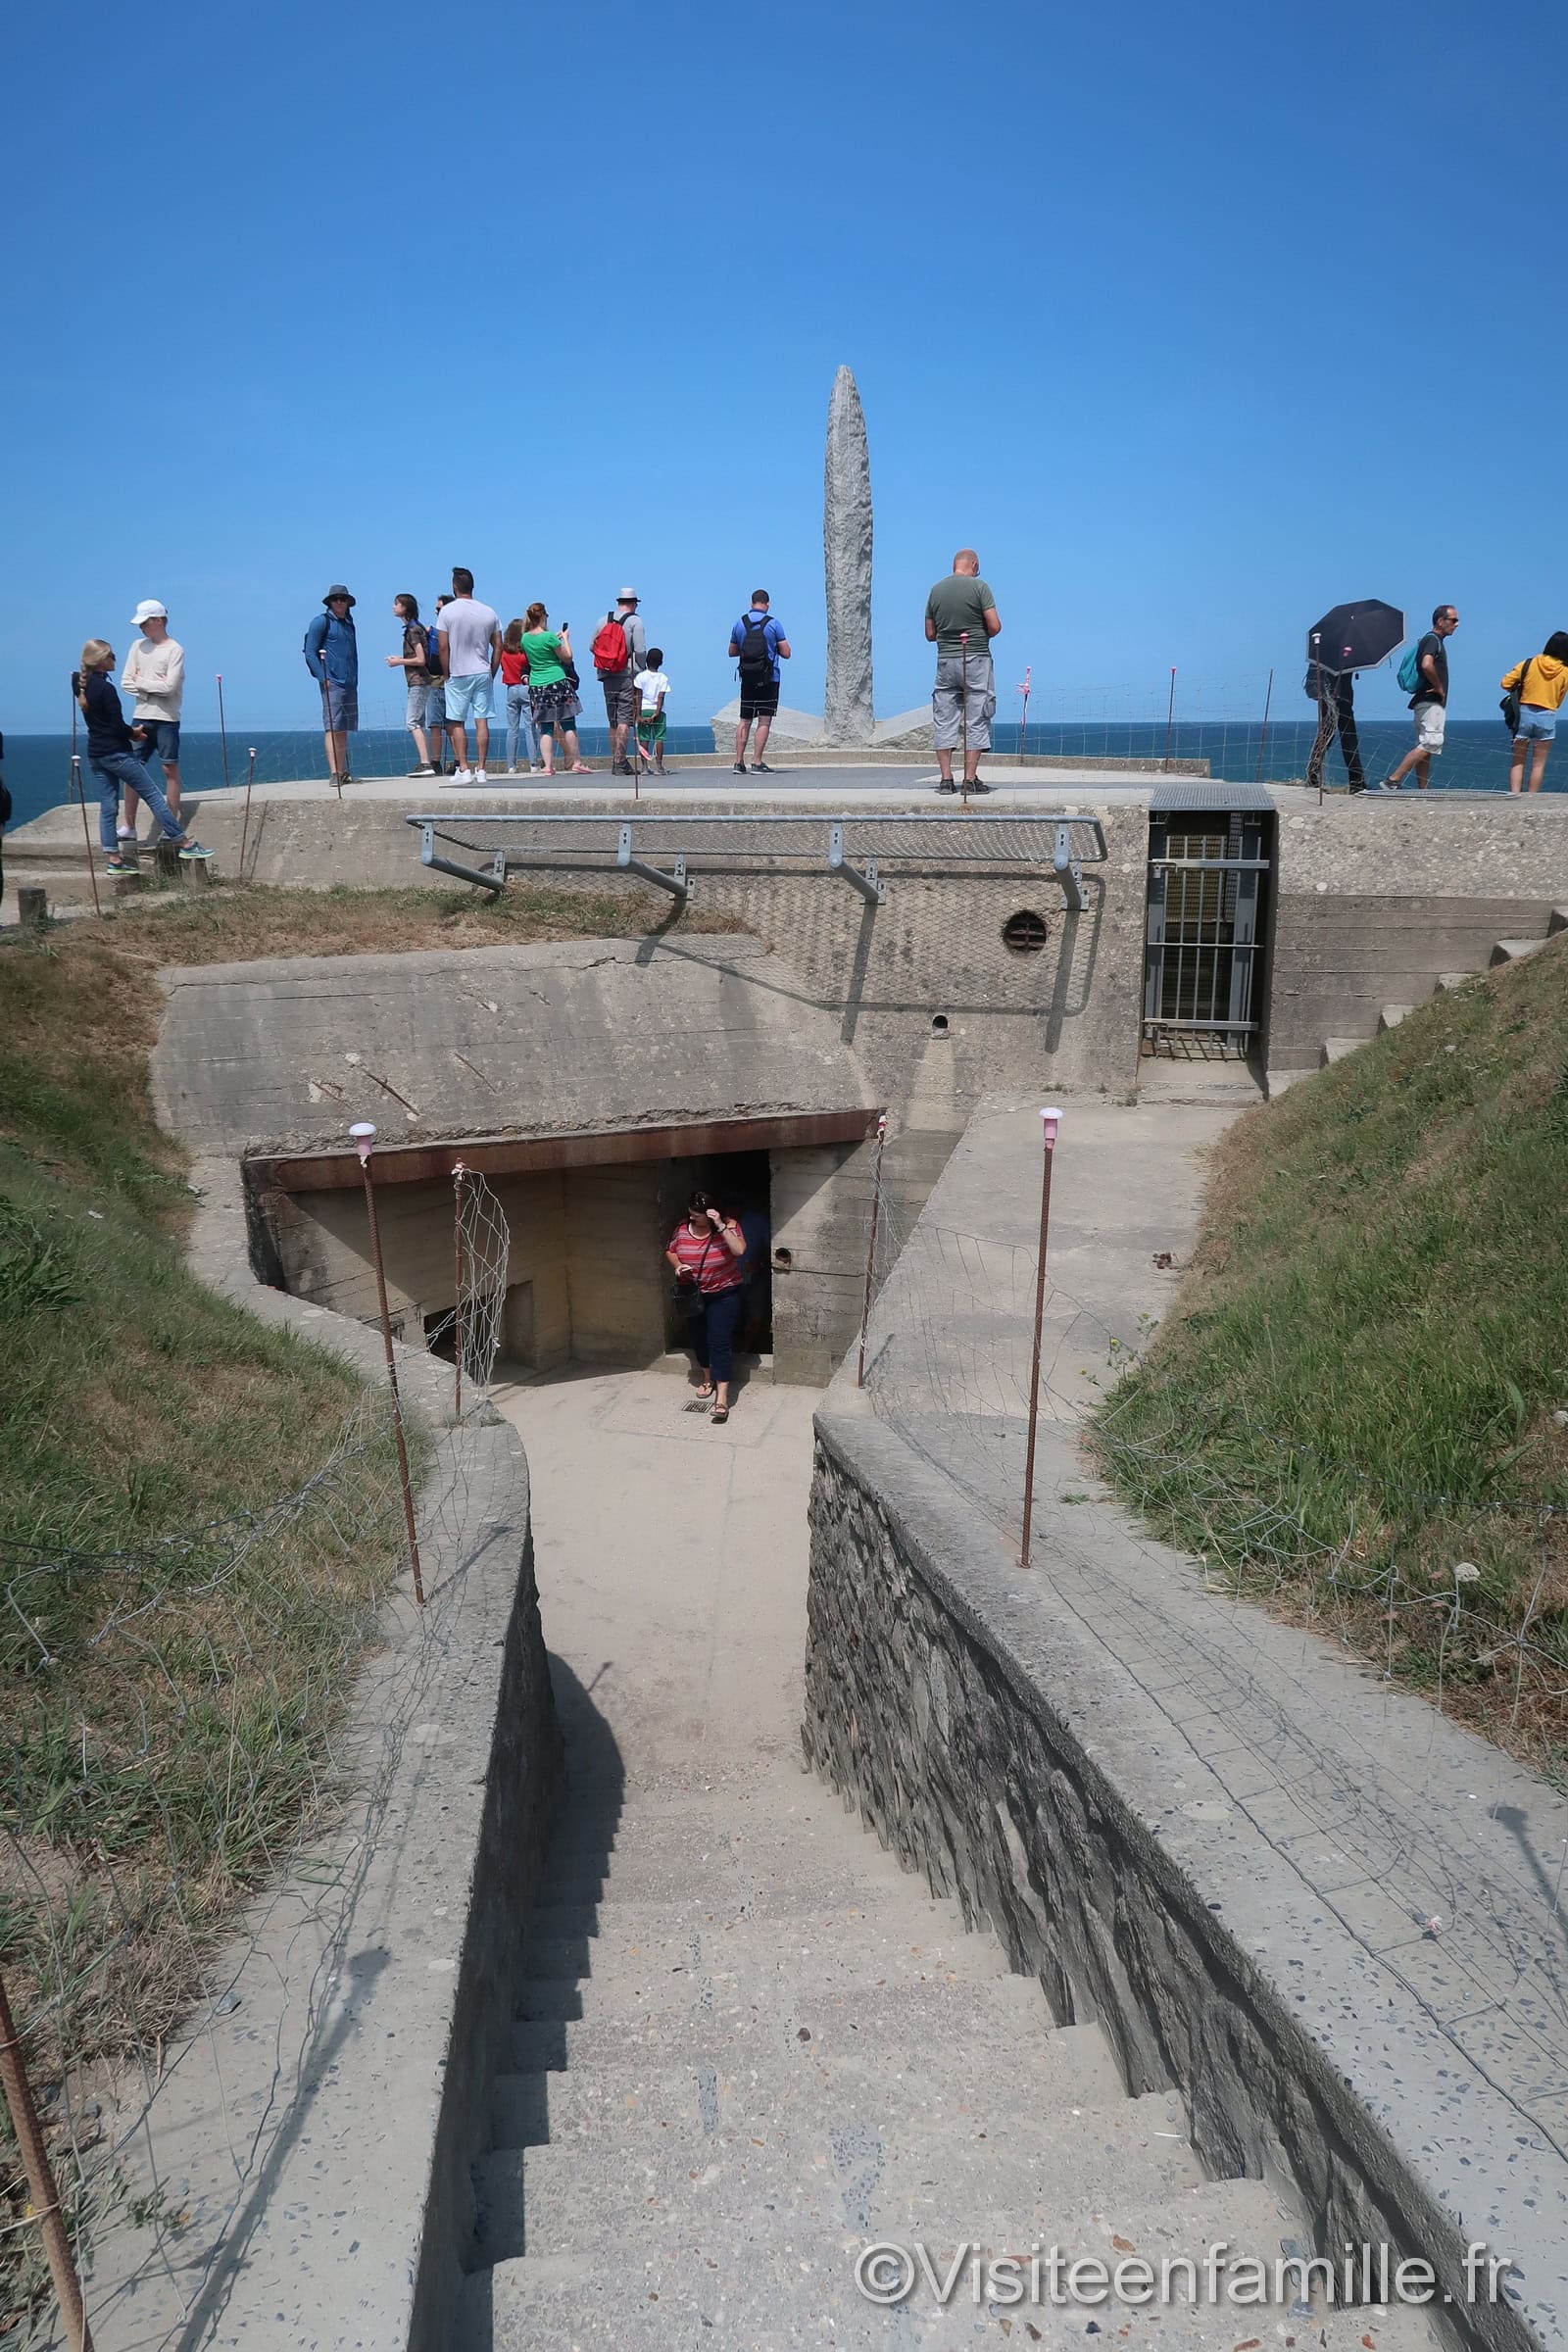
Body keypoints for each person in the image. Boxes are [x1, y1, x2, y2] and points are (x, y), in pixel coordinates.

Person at [74, 640, 209, 874]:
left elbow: (91, 701)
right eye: (111, 656)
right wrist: (134, 734)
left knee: (107, 807)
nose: (115, 659)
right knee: (153, 795)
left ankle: (114, 859)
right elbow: (116, 726)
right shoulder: (106, 690)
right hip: (117, 752)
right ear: (102, 661)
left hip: (95, 754)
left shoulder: (80, 684)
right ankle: (184, 843)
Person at [664, 1190, 748, 1424]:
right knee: (699, 1338)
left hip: (724, 1294)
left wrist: (720, 1225)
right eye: (690, 1214)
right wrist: (678, 1266)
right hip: (694, 1295)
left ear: (711, 1214)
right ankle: (707, 1377)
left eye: (697, 1216)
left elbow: (740, 1251)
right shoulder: (681, 1228)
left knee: (719, 1341)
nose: (692, 1219)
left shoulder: (729, 1226)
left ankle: (721, 1398)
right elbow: (670, 1251)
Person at [925, 550, 1001, 795]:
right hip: (976, 657)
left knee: (945, 718)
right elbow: (994, 626)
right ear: (974, 564)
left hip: (945, 660)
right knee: (977, 716)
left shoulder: (936, 590)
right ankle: (969, 780)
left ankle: (946, 779)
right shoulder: (980, 588)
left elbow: (929, 634)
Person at [120, 599, 185, 842]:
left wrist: (142, 683)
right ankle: (129, 825)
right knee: (132, 769)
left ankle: (171, 824)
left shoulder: (175, 650)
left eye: (145, 623)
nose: (142, 628)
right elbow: (126, 681)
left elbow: (169, 687)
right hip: (142, 715)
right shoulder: (137, 646)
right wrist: (151, 686)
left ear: (159, 621)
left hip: (167, 717)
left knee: (169, 767)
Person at [1384, 605, 1458, 791]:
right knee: (1432, 742)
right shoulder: (1433, 641)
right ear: (1440, 621)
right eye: (1453, 620)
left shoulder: (1431, 640)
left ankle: (1423, 789)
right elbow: (1426, 664)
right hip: (1430, 703)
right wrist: (1439, 686)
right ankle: (1393, 780)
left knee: (1425, 748)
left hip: (1423, 703)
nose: (1457, 624)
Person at [438, 567, 502, 784]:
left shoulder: (447, 612)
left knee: (457, 721)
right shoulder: (489, 612)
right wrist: (492, 671)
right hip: (482, 671)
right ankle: (481, 769)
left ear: (454, 586)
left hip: (458, 672)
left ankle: (463, 768)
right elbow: (498, 646)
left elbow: (443, 646)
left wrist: (446, 673)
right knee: (481, 720)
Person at [520, 605, 592, 776]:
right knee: (568, 723)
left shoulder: (525, 639)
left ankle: (548, 766)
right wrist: (565, 638)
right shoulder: (549, 638)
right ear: (544, 616)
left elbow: (540, 646)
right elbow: (567, 657)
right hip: (557, 681)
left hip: (537, 685)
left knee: (545, 727)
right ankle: (576, 762)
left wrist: (554, 638)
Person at [727, 590, 790, 774]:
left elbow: (731, 651)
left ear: (751, 603)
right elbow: (786, 653)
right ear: (768, 604)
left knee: (744, 720)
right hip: (769, 679)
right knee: (764, 721)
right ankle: (757, 761)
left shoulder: (740, 623)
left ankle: (738, 762)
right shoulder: (774, 624)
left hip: (747, 678)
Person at [303, 585, 359, 787]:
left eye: (342, 599)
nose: (339, 602)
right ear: (329, 602)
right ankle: (335, 772)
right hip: (332, 682)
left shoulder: (349, 624)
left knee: (343, 728)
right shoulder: (321, 622)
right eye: (335, 599)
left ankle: (342, 771)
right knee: (332, 727)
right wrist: (323, 677)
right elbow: (310, 652)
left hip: (350, 682)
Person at [1502, 633, 1568, 795]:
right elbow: (1559, 699)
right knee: (1538, 764)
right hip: (1547, 715)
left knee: (1518, 761)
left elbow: (1505, 683)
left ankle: (1514, 796)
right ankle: (1532, 798)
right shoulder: (1565, 671)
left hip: (1524, 714)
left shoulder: (1529, 664)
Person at [591, 589, 647, 775]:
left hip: (606, 675)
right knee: (624, 719)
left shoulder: (602, 620)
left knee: (613, 721)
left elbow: (592, 646)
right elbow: (640, 650)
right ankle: (620, 761)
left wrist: (608, 659)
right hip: (626, 675)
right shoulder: (635, 621)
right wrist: (641, 669)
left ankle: (615, 760)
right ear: (633, 603)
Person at [386, 592, 437, 776]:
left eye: (396, 603)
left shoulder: (413, 630)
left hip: (418, 681)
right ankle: (426, 762)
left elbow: (420, 659)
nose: (393, 607)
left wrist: (398, 661)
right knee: (418, 722)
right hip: (421, 681)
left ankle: (425, 763)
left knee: (412, 722)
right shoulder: (417, 628)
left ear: (405, 607)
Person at [1304, 652, 1366, 794]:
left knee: (1337, 736)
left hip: (1341, 696)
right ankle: (1356, 781)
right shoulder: (1327, 649)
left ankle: (1356, 780)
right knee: (1335, 736)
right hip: (1330, 695)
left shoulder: (1333, 647)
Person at [500, 620, 545, 774]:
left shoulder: (504, 652)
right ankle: (533, 763)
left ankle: (511, 765)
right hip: (526, 688)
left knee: (512, 729)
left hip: (511, 689)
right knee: (529, 727)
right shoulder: (524, 653)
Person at [425, 593, 453, 773]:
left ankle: (458, 760)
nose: (436, 611)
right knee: (435, 724)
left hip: (449, 682)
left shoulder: (445, 634)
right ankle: (436, 761)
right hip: (435, 682)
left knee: (452, 724)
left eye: (439, 608)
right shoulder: (432, 633)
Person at [633, 648, 670, 775]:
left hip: (644, 709)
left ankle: (644, 767)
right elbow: (661, 696)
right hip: (657, 710)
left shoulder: (640, 677)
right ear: (661, 662)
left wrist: (637, 715)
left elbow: (638, 696)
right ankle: (659, 767)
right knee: (659, 738)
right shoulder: (663, 678)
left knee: (644, 737)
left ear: (647, 661)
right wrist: (657, 712)